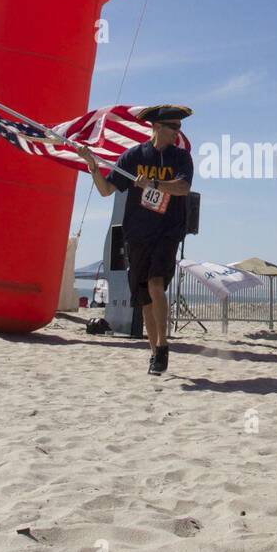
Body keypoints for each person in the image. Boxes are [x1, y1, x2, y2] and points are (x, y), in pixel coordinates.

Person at [78, 105, 193, 377]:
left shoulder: (181, 157)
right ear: (156, 127)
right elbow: (106, 190)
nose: (178, 132)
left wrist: (153, 184)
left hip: (168, 231)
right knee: (144, 299)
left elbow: (183, 187)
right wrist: (92, 165)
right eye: (173, 127)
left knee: (156, 283)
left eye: (179, 127)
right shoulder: (132, 157)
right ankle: (155, 352)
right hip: (138, 233)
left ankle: (163, 345)